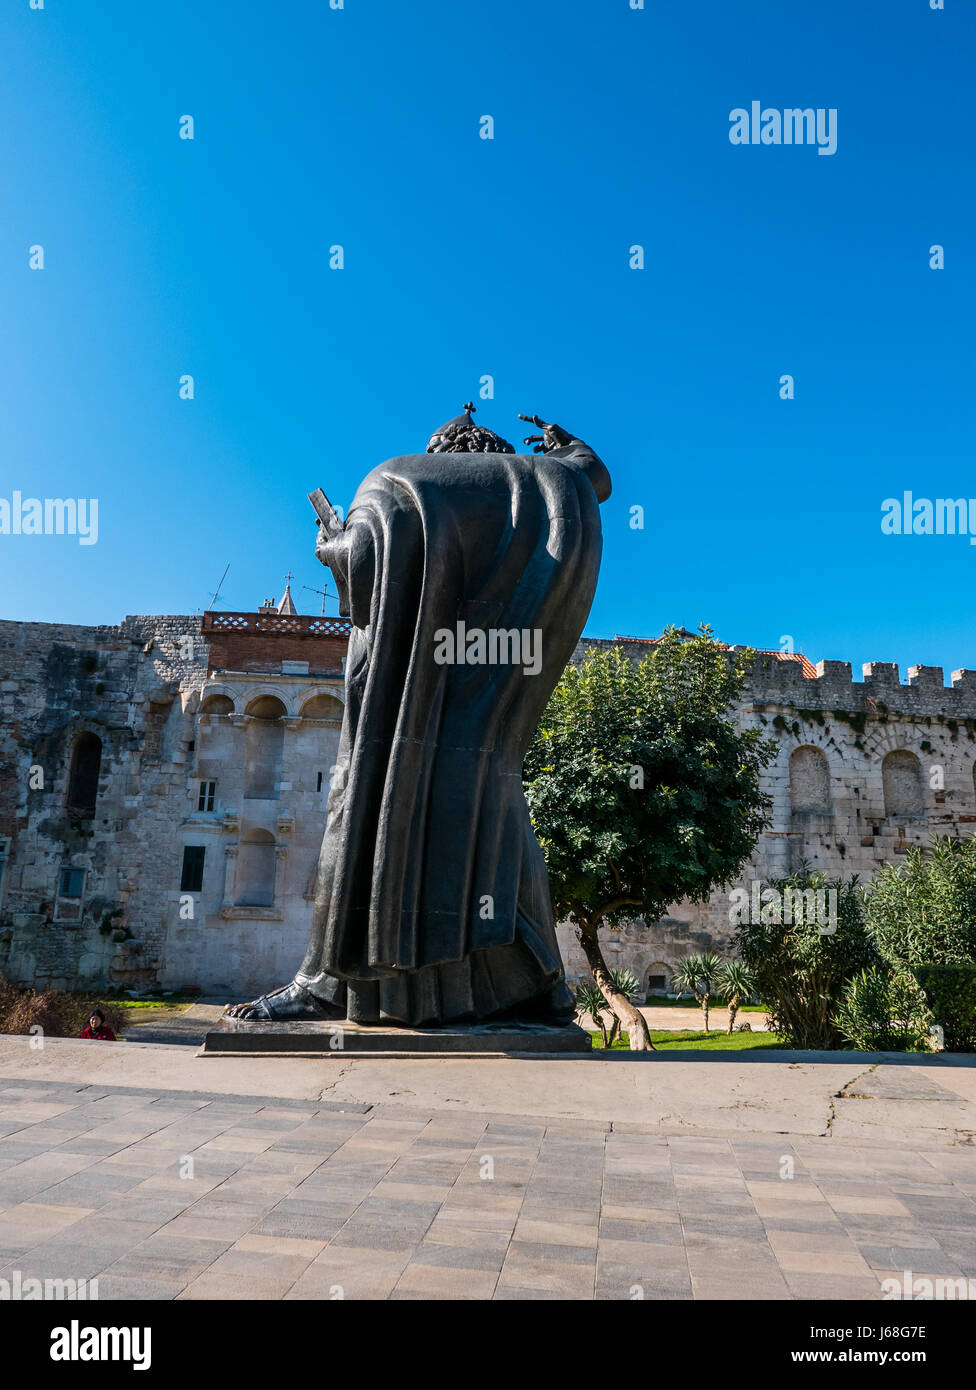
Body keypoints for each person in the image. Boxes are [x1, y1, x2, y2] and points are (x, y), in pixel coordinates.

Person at [226, 408, 611, 1028]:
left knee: (360, 807)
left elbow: (368, 560)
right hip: (489, 693)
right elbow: (588, 482)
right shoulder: (541, 483)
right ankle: (541, 980)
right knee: (497, 809)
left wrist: (331, 546)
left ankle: (324, 981)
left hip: (406, 698)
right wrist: (577, 454)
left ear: (444, 448)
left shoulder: (403, 475)